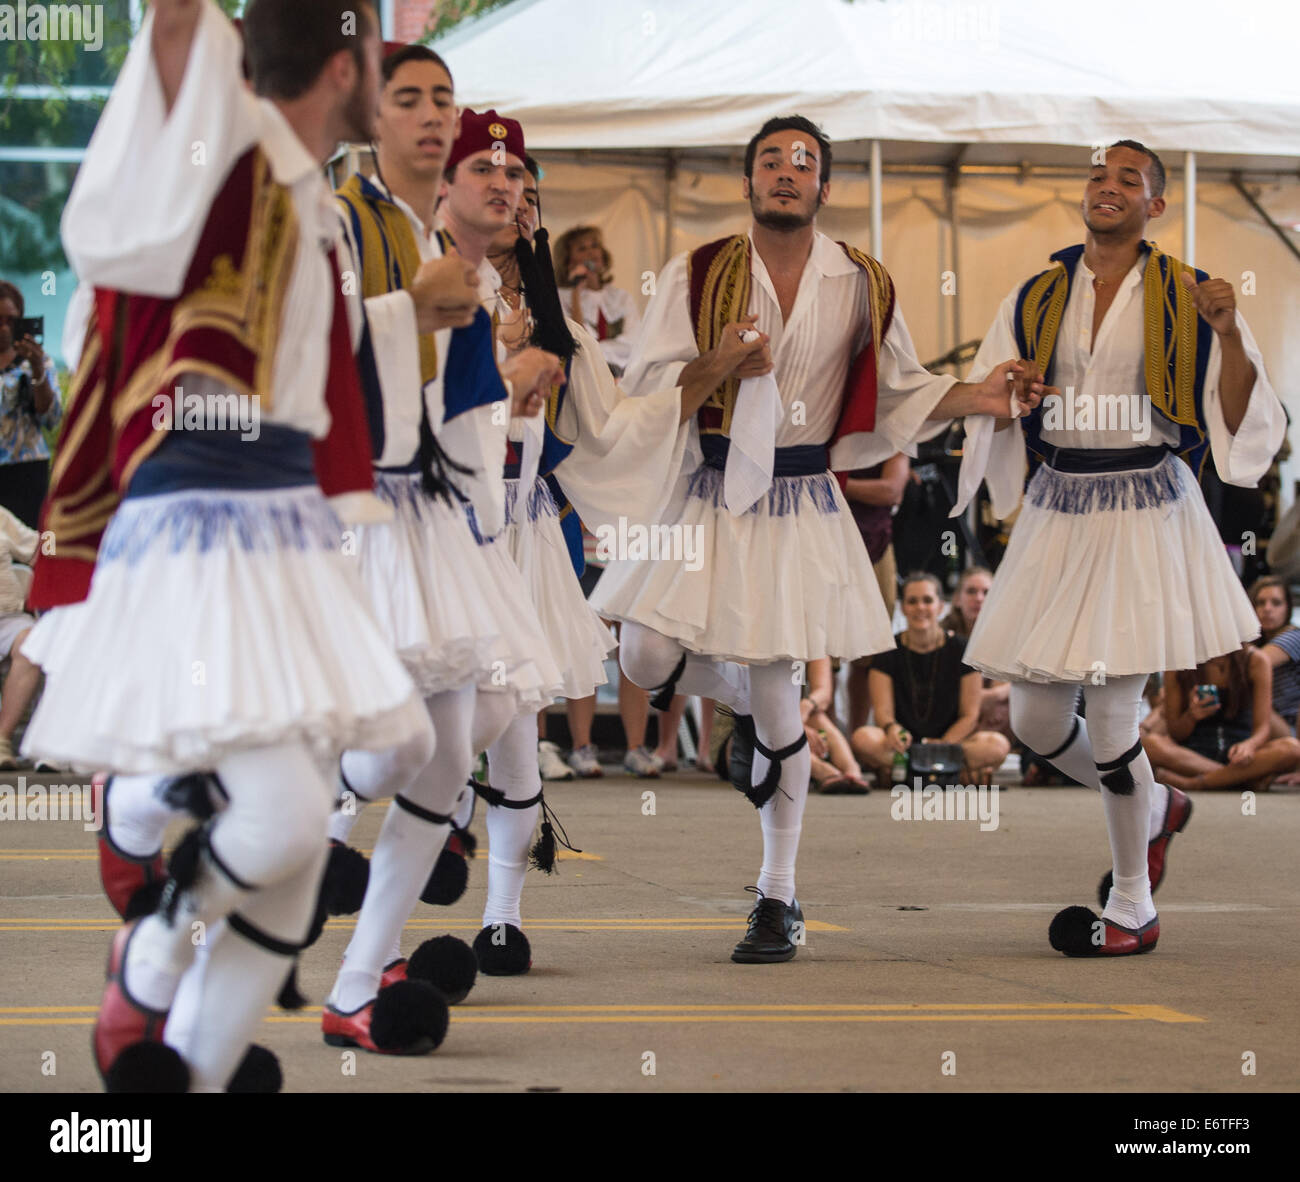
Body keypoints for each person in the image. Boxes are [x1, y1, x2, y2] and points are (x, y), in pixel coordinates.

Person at [21, 0, 442, 1092]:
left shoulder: (320, 207)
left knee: (304, 867)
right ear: (344, 62)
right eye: (381, 51)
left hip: (290, 528)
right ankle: (151, 943)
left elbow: (328, 379)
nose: (396, 64)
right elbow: (173, 30)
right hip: (197, 522)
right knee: (287, 812)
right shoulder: (219, 138)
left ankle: (185, 1083)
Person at [592, 114, 1034, 964]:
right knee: (643, 654)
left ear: (825, 186)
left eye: (803, 163)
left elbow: (903, 391)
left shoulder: (863, 280)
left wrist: (982, 395)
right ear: (749, 181)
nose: (786, 173)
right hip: (706, 489)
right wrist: (717, 365)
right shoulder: (698, 272)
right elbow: (644, 393)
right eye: (771, 161)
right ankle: (746, 716)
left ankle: (777, 896)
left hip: (798, 499)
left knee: (776, 692)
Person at [951, 140, 1286, 956]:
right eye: (1098, 177)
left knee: (1109, 719)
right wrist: (1011, 392)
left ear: (1155, 205)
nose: (1108, 188)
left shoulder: (1187, 292)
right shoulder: (1038, 291)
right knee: (1032, 717)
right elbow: (994, 392)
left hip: (1143, 505)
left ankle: (1132, 906)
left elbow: (1243, 419)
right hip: (1056, 506)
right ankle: (1160, 803)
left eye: (1128, 180)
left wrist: (1232, 333)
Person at [320, 45, 565, 1050]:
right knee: (393, 754)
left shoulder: (433, 240)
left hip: (432, 516)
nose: (429, 116)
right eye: (407, 98)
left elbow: (466, 408)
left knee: (453, 738)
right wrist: (406, 312)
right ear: (369, 113)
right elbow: (297, 361)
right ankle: (273, 804)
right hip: (350, 512)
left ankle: (353, 984)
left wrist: (481, 512)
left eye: (442, 100)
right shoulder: (333, 219)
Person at [435, 113, 688, 974]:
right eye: (497, 182)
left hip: (522, 523)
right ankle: (426, 825)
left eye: (529, 192)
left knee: (512, 722)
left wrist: (706, 380)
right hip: (437, 520)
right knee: (430, 707)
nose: (514, 203)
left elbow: (603, 426)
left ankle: (502, 915)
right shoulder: (427, 282)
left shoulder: (557, 321)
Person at [851, 572, 1010, 785]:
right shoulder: (887, 651)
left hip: (951, 742)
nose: (920, 608)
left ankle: (907, 773)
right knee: (863, 738)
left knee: (996, 745)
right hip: (905, 745)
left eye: (927, 600)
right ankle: (952, 773)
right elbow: (883, 712)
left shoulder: (963, 649)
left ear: (940, 606)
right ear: (903, 608)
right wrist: (892, 728)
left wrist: (942, 744)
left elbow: (969, 715)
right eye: (912, 601)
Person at [1141, 647, 1300, 791]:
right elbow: (1175, 732)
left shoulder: (1255, 660)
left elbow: (1263, 728)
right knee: (1151, 744)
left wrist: (1250, 745)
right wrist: (1191, 715)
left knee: (1292, 748)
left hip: (1240, 755)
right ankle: (1242, 780)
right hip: (1193, 754)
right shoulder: (1179, 665)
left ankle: (1195, 784)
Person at [843, 452, 909, 732]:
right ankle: (822, 739)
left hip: (876, 545)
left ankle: (857, 736)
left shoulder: (893, 429)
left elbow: (891, 491)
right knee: (818, 654)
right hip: (828, 539)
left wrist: (835, 481)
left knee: (869, 654)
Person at [0, 279, 62, 528]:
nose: (4, 328)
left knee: (28, 552)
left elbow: (51, 418)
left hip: (27, 475)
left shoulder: (38, 360)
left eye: (11, 320)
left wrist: (37, 371)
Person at [554, 225, 642, 376]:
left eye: (595, 246)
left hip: (623, 375)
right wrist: (576, 291)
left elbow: (634, 341)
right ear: (568, 261)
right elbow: (576, 342)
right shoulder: (561, 297)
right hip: (584, 375)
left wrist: (597, 351)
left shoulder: (621, 297)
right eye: (581, 248)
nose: (591, 252)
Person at [0, 502, 41, 769]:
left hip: (7, 617)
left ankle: (1, 741)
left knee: (32, 643)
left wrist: (58, 534)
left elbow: (41, 547)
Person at [803, 657, 871, 793]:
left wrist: (804, 709)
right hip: (766, 718)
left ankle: (850, 767)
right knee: (780, 731)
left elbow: (823, 693)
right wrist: (795, 726)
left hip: (796, 712)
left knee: (817, 717)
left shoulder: (813, 639)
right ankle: (821, 769)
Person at [1248, 575, 1300, 738]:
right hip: (1270, 723)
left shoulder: (1294, 636)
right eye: (1261, 603)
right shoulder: (1258, 642)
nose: (1268, 609)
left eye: (1276, 603)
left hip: (1290, 729)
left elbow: (1249, 666)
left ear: (1287, 608)